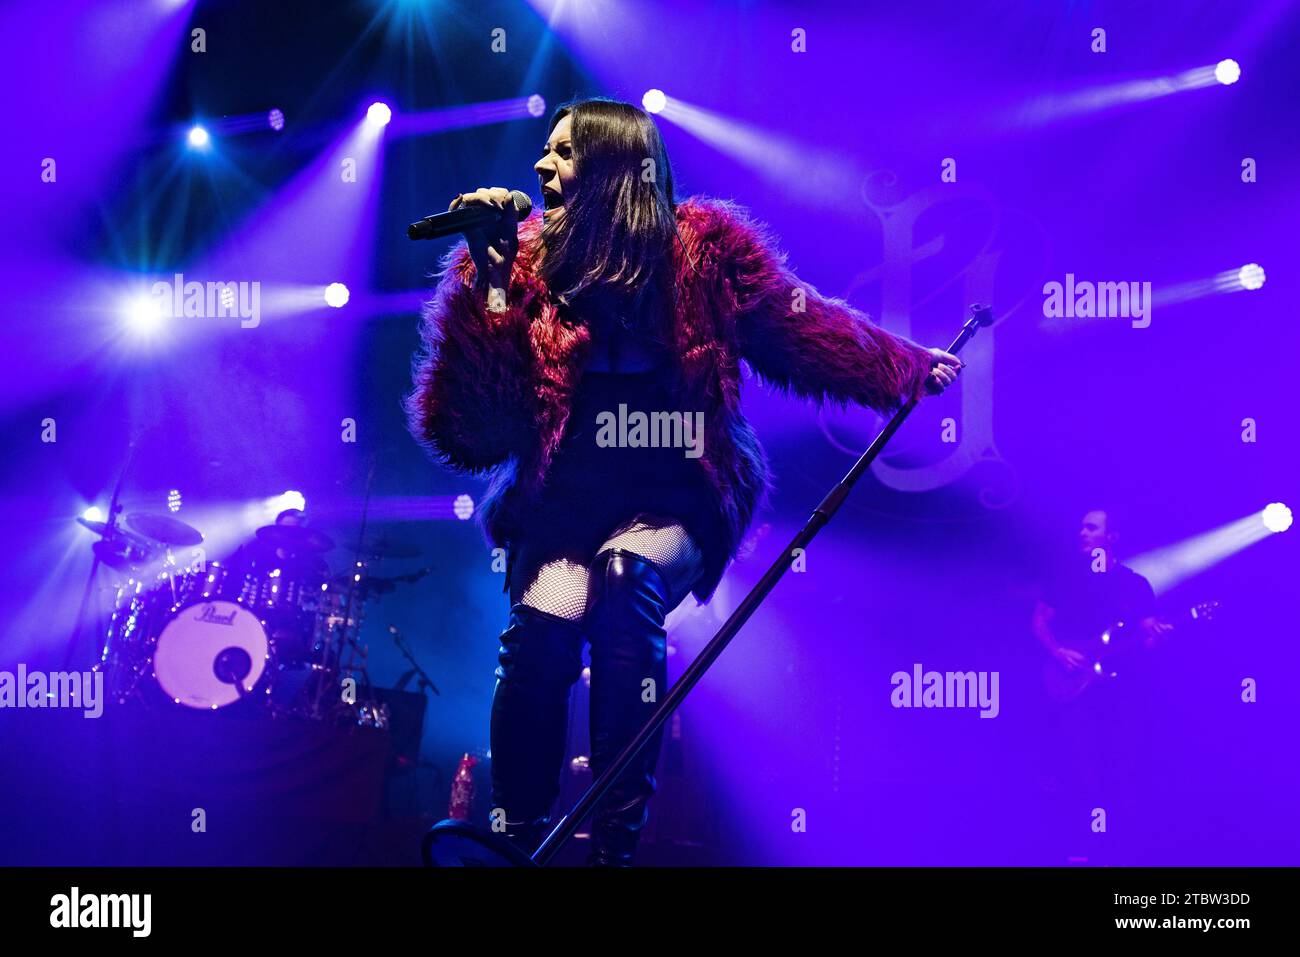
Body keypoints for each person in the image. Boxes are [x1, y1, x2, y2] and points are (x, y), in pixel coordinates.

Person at [406, 97, 962, 866]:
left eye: (564, 153)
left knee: (625, 582)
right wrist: (491, 288)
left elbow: (803, 327)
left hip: (679, 491)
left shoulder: (706, 252)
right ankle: (517, 836)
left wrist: (902, 362)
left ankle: (612, 847)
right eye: (545, 151)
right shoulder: (518, 265)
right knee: (539, 635)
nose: (541, 166)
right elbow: (470, 431)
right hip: (566, 503)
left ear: (614, 166)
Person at [1031, 508, 1171, 862]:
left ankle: (1115, 850)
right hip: (1070, 685)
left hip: (1116, 690)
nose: (1083, 532)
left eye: (1091, 528)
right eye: (1081, 526)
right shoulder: (1066, 578)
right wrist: (1059, 651)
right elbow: (1039, 621)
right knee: (1072, 761)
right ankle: (1070, 848)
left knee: (1117, 762)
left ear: (1111, 538)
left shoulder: (1134, 585)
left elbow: (1147, 634)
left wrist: (1157, 635)